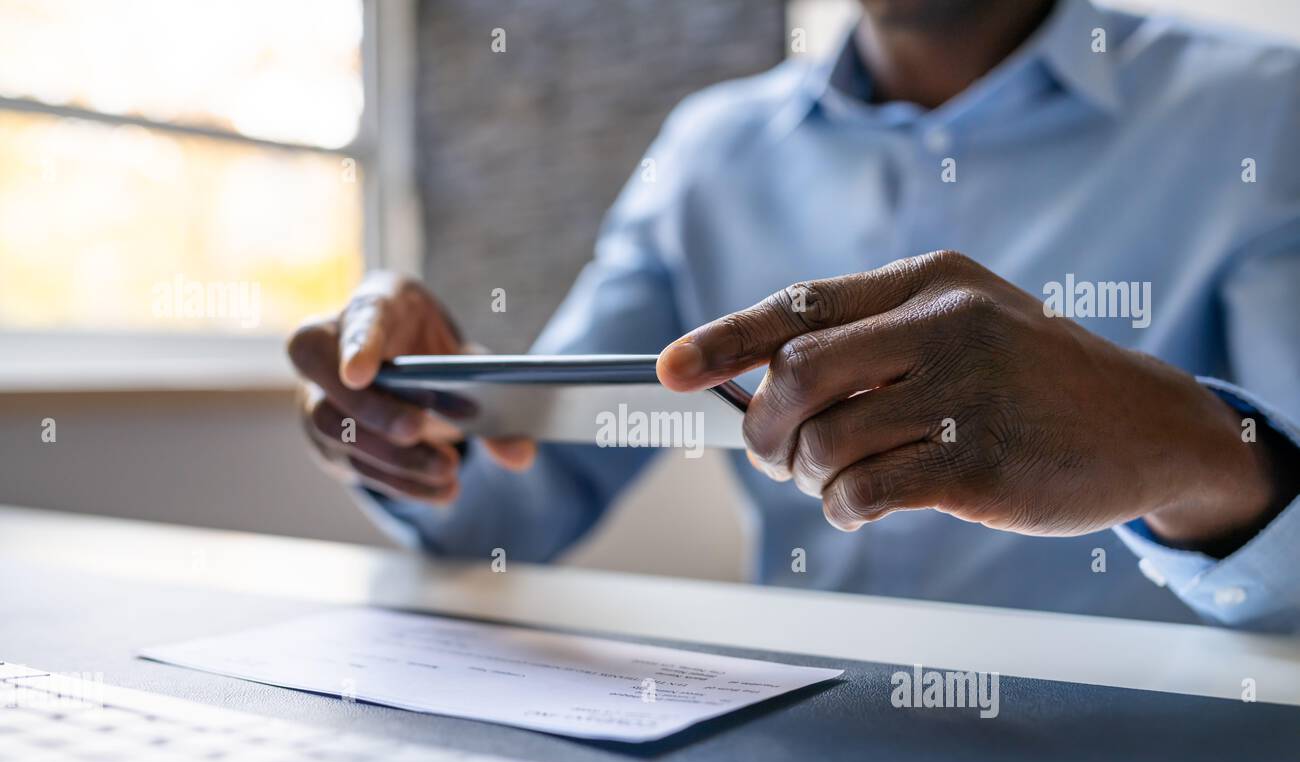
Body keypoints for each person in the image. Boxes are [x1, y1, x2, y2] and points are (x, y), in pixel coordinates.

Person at [288, 0, 1300, 631]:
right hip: (797, 758)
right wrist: (416, 427)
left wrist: (1183, 446)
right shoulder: (706, 152)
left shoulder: (1264, 111)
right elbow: (524, 502)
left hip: (1159, 759)